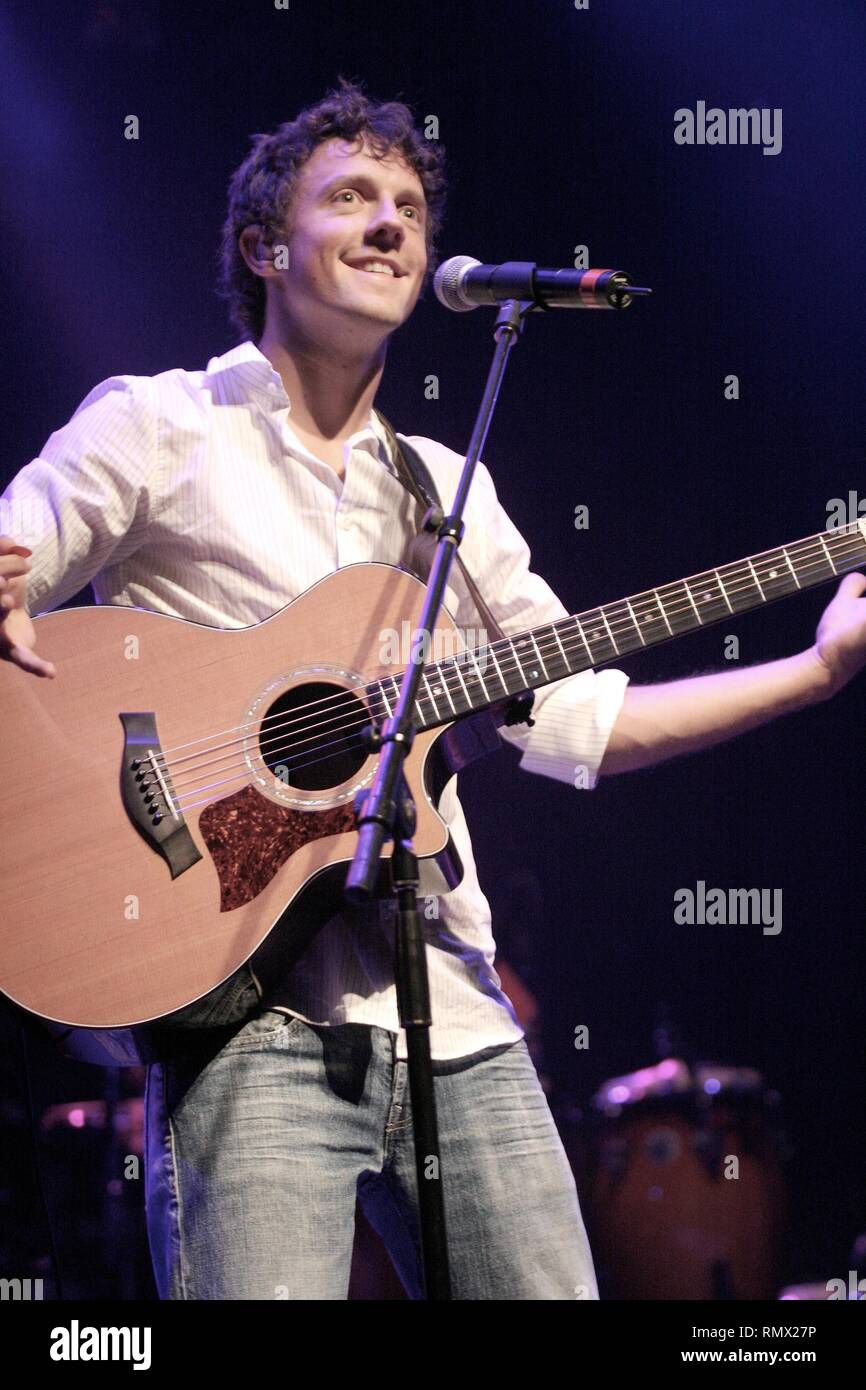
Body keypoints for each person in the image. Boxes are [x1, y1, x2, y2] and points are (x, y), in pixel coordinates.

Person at [2, 79, 865, 1301]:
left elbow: (583, 720)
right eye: (350, 196)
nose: (391, 223)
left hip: (453, 1016)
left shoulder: (442, 491)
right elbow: (16, 557)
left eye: (408, 203)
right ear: (263, 245)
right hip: (244, 1027)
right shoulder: (160, 426)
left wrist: (817, 671)